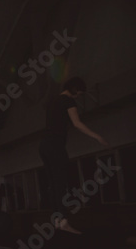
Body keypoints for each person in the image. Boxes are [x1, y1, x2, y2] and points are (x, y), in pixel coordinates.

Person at [39, 77, 109, 234]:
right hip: (55, 145)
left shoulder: (52, 101)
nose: (78, 97)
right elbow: (77, 124)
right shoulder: (69, 101)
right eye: (79, 94)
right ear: (75, 89)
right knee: (60, 182)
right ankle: (63, 220)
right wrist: (97, 136)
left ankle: (57, 220)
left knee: (53, 183)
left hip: (44, 145)